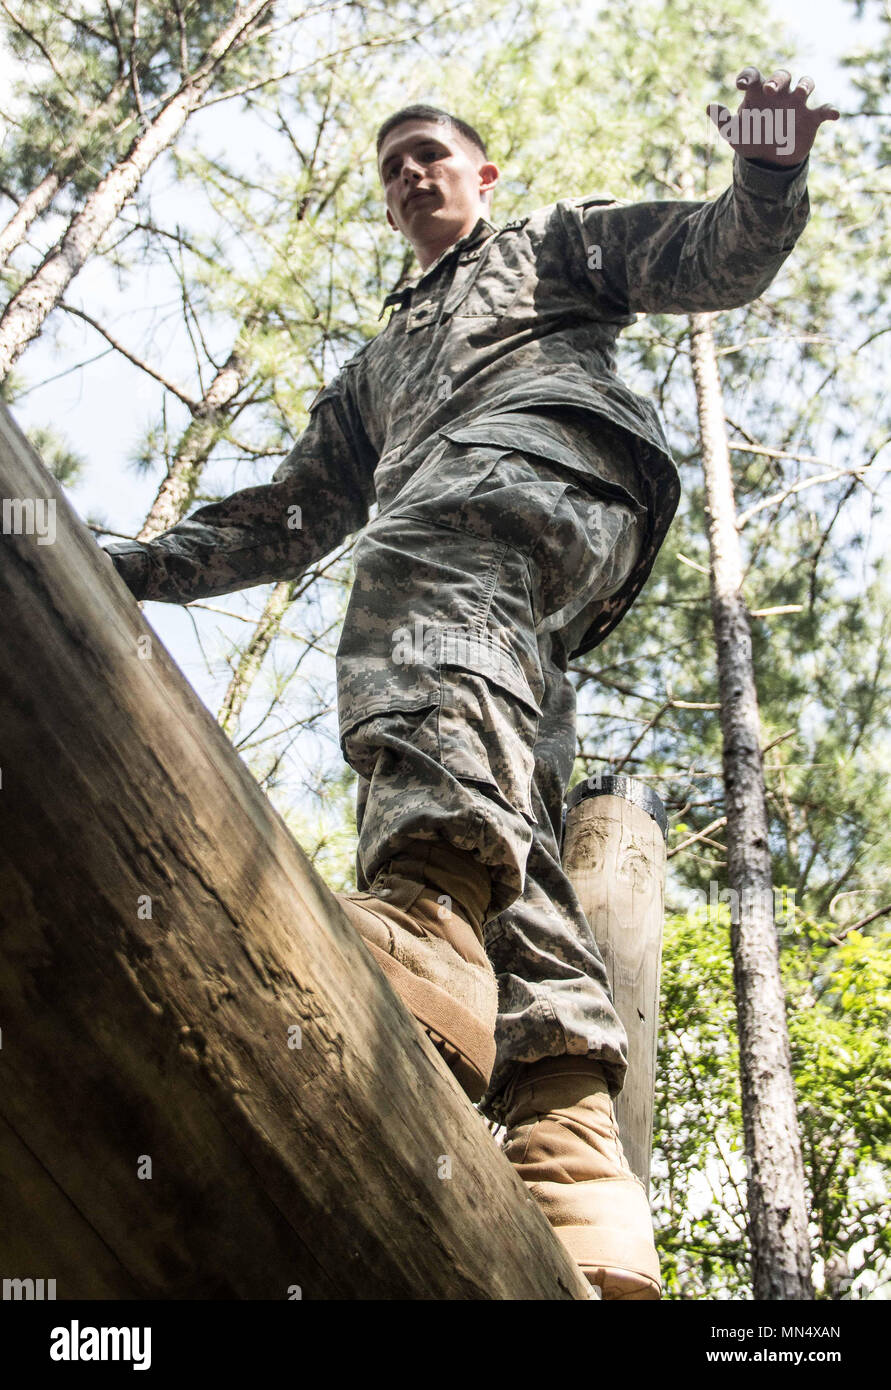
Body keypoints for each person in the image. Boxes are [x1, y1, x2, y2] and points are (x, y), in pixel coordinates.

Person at [105, 66, 838, 1299]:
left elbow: (715, 254)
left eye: (431, 153)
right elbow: (290, 513)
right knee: (522, 820)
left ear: (481, 175)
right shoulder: (377, 373)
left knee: (417, 554)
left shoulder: (551, 246)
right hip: (508, 594)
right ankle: (575, 1157)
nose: (412, 174)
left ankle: (431, 915)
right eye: (392, 168)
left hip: (555, 463)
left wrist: (767, 171)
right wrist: (133, 566)